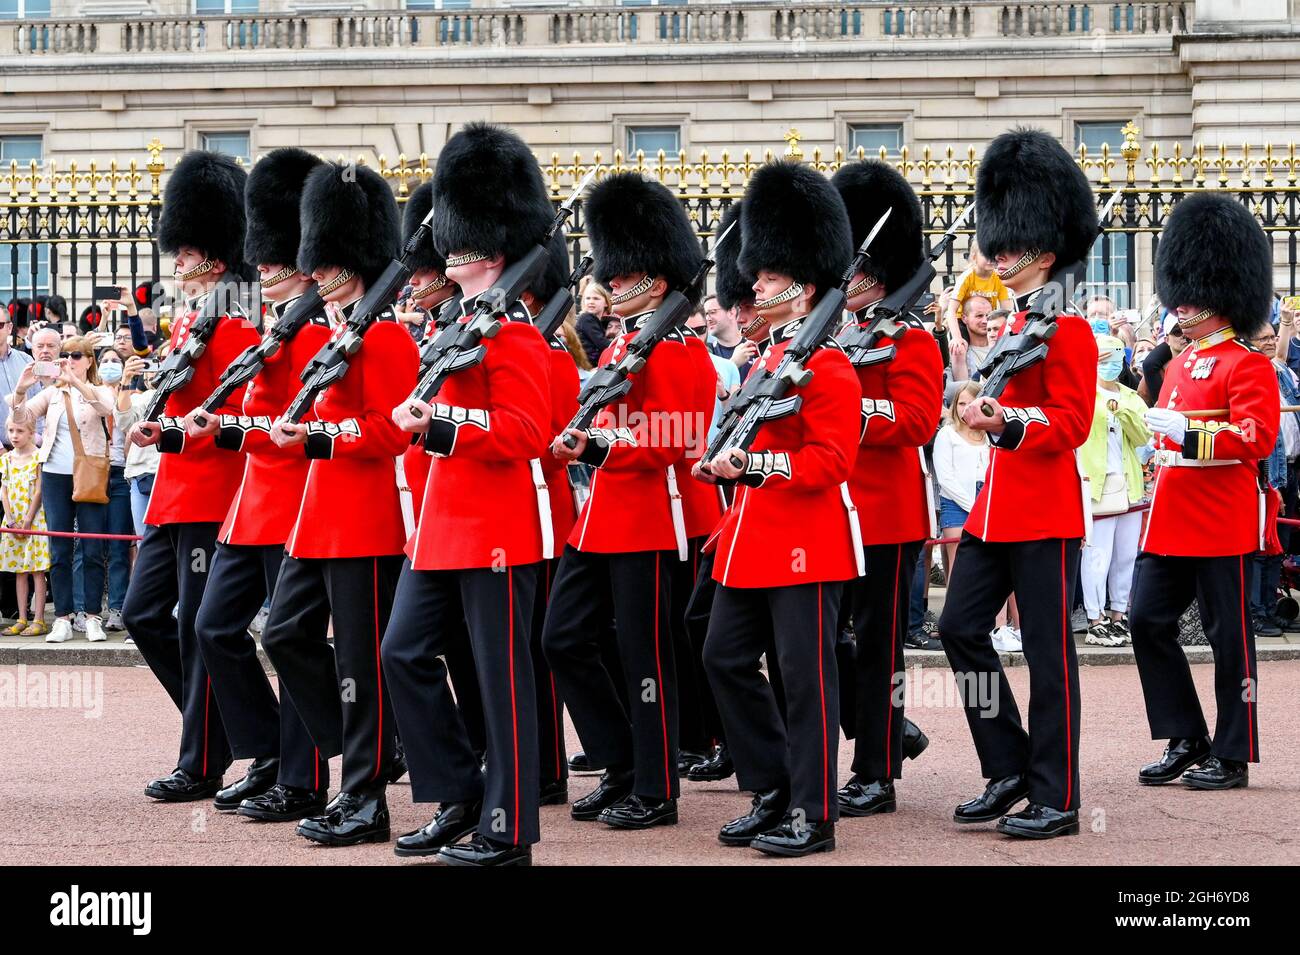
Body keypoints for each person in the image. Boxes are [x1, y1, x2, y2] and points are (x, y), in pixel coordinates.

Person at [381, 123, 553, 867]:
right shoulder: (453, 326)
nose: (450, 257)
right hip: (443, 525)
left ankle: (510, 826)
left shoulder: (513, 334)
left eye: (464, 244)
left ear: (495, 247)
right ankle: (456, 792)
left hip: (496, 527)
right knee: (403, 653)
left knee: (500, 676)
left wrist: (442, 421)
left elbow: (525, 431)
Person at [937, 128, 1098, 839]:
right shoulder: (1013, 326)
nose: (998, 256)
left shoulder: (1070, 330)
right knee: (958, 627)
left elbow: (1071, 423)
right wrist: (977, 406)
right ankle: (1006, 764)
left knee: (1047, 652)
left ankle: (1056, 793)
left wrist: (1004, 420)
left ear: (1044, 245)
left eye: (1010, 245)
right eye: (996, 244)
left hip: (1045, 509)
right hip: (994, 509)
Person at [693, 160, 858, 858]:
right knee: (723, 656)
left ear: (804, 282)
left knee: (804, 680)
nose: (753, 284)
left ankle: (813, 811)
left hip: (806, 542)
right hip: (749, 541)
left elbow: (831, 461)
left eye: (767, 274)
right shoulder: (765, 360)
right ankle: (770, 785)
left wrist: (755, 465)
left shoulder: (830, 366)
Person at [260, 159, 414, 845]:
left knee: (360, 661)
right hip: (318, 518)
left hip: (367, 520)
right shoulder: (327, 336)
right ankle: (369, 751)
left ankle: (366, 795)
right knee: (286, 634)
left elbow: (391, 428)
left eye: (325, 263)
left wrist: (322, 434)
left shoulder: (384, 336)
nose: (314, 274)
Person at [543, 169, 701, 833]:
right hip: (600, 519)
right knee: (564, 637)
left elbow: (679, 435)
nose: (610, 283)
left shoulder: (680, 347)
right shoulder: (621, 341)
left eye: (623, 273)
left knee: (647, 660)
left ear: (655, 280)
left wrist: (600, 445)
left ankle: (656, 784)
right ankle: (617, 759)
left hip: (648, 520)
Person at [182, 147, 336, 823]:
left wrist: (241, 422)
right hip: (252, 502)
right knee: (213, 626)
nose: (264, 267)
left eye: (276, 258)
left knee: (289, 636)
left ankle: (303, 778)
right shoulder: (270, 322)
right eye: (262, 257)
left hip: (295, 499)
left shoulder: (319, 331)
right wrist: (218, 419)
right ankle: (268, 749)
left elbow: (309, 418)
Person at [119, 150, 261, 801]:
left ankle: (201, 759)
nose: (175, 260)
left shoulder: (233, 319)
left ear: (211, 250)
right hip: (173, 489)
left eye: (184, 250)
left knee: (195, 627)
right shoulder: (189, 317)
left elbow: (235, 409)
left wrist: (174, 428)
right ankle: (226, 726)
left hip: (211, 488)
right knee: (142, 613)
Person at [1132, 193, 1280, 792]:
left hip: (1220, 519)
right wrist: (1162, 445)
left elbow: (1254, 437)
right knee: (1145, 620)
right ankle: (1186, 735)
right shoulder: (1180, 360)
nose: (1181, 304)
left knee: (1229, 639)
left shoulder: (1247, 364)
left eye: (1192, 294)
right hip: (1170, 519)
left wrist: (1187, 436)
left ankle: (1234, 751)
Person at [829, 158, 943, 818]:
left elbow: (916, 421)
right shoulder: (838, 335)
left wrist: (849, 408)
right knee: (825, 638)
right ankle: (889, 728)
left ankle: (875, 772)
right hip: (837, 508)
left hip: (890, 515)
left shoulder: (912, 340)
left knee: (877, 646)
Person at [8, 335, 115, 644]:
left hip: (89, 474)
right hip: (55, 475)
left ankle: (92, 616)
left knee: (93, 548)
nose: (69, 359)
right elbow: (21, 419)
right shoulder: (52, 393)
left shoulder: (98, 388)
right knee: (59, 549)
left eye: (76, 355)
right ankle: (64, 618)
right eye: (65, 355)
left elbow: (105, 406)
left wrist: (76, 381)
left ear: (89, 360)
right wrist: (21, 389)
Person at [1079, 335, 1150, 647]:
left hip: (1130, 485)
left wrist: (1121, 411)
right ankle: (1095, 618)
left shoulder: (1132, 398)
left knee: (1126, 556)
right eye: (1101, 358)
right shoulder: (1082, 394)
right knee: (1097, 555)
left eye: (1112, 358)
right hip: (1096, 486)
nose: (1106, 365)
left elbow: (1142, 436)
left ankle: (1119, 614)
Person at [1243, 321, 1296, 637]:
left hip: (1289, 469)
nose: (1269, 342)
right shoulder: (1252, 376)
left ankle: (1269, 607)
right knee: (1263, 543)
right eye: (1262, 338)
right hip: (1267, 472)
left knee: (1280, 545)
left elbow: (1283, 352)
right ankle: (1256, 612)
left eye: (1271, 337)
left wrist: (1287, 325)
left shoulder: (1280, 373)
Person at [0, 407, 50, 636]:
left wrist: (28, 519)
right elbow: (5, 489)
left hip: (34, 519)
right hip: (12, 521)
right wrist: (10, 519)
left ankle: (39, 618)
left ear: (31, 433)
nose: (14, 435)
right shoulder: (7, 459)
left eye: (19, 430)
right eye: (11, 430)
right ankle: (21, 616)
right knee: (19, 570)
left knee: (37, 570)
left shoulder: (38, 456)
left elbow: (39, 490)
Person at [933, 381, 989, 583]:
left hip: (986, 499)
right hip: (956, 504)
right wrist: (974, 507)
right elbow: (945, 478)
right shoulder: (947, 434)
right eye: (961, 403)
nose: (965, 408)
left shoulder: (990, 435)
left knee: (989, 567)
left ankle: (997, 616)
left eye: (970, 403)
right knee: (960, 571)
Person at [95, 347, 131, 631]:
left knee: (119, 545)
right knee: (89, 545)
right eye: (104, 361)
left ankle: (118, 607)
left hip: (121, 472)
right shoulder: (90, 392)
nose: (109, 365)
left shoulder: (132, 394)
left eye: (115, 361)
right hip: (93, 472)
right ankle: (89, 610)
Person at [114, 356, 160, 537]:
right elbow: (124, 421)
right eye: (156, 361)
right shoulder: (147, 397)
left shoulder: (189, 396)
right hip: (143, 474)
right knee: (143, 539)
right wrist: (126, 380)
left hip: (175, 475)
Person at [944, 238, 1013, 337]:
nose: (990, 259)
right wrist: (957, 338)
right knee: (961, 347)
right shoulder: (966, 277)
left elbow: (1007, 311)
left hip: (987, 321)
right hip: (963, 323)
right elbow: (951, 311)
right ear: (974, 256)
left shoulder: (999, 278)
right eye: (985, 254)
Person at [703, 291, 759, 380]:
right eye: (705, 314)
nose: (708, 318)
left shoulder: (755, 346)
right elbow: (711, 389)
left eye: (712, 312)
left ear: (731, 312)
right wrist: (733, 364)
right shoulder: (707, 354)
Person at [0, 306, 34, 447]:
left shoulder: (26, 361)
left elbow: (37, 401)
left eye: (0, 325)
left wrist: (37, 441)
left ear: (9, 327)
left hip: (31, 451)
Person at [1138, 316, 1189, 405]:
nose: (1183, 335)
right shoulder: (1157, 371)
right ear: (1167, 340)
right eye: (1177, 332)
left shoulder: (1199, 362)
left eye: (1186, 329)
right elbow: (1143, 402)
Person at [948, 295, 995, 384]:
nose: (985, 321)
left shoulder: (1002, 345)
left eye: (989, 315)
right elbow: (963, 389)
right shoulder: (960, 351)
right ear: (964, 318)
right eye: (979, 316)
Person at [575, 276, 612, 366]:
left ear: (606, 303)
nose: (591, 302)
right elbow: (602, 343)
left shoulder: (597, 321)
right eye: (588, 298)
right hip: (587, 367)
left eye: (596, 298)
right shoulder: (586, 318)